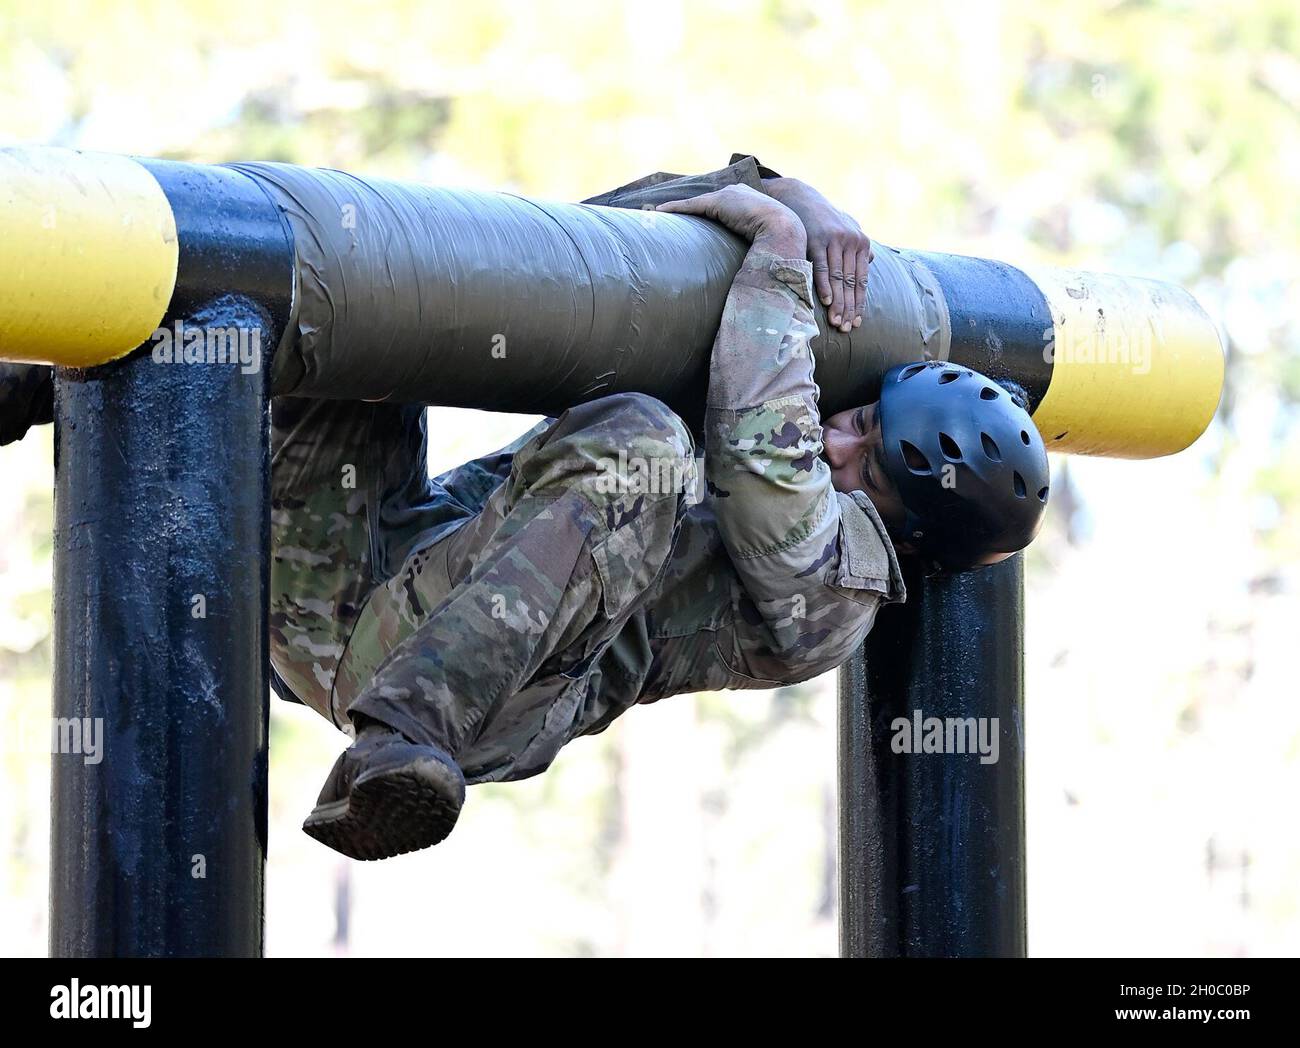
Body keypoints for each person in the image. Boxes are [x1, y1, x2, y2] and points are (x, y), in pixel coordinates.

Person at [0, 156, 1050, 862]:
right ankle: (64, 371)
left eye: (865, 459)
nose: (835, 436)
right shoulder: (760, 385)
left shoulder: (837, 594)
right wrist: (781, 190)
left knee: (641, 437)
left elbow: (766, 472)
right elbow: (609, 240)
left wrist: (780, 252)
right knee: (380, 295)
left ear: (904, 526)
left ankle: (400, 746)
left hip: (471, 700)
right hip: (361, 584)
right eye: (858, 416)